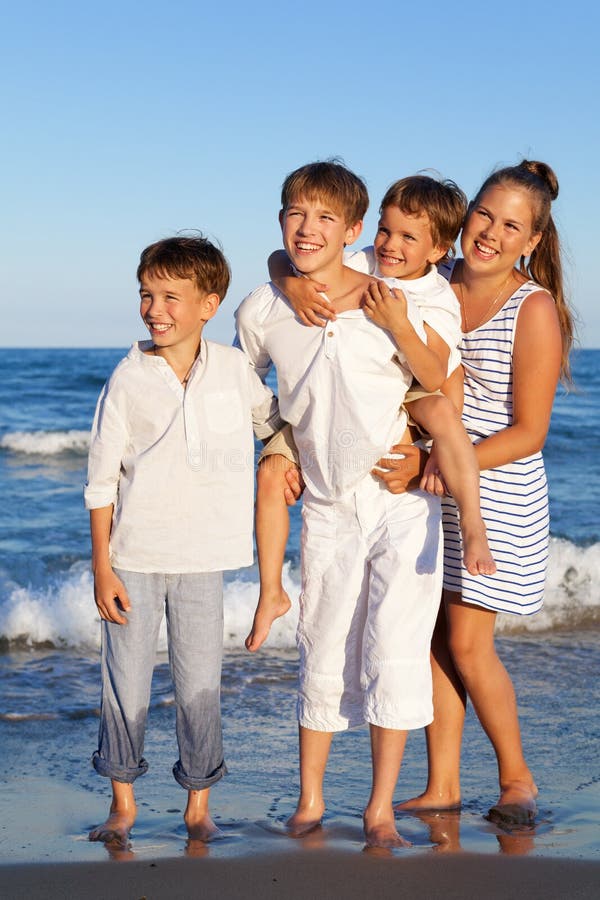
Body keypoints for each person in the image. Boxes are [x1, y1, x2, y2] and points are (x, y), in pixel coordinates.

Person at [235, 160, 444, 848]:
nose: (308, 228)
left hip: (399, 499)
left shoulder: (394, 294)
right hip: (325, 502)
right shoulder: (263, 308)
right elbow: (249, 391)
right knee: (321, 647)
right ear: (279, 221)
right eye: (296, 213)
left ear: (352, 232)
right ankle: (311, 799)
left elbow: (435, 376)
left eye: (326, 218)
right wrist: (276, 444)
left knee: (396, 648)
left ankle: (380, 807)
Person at [381, 160, 574, 826]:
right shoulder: (431, 281)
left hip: (498, 492)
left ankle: (517, 779)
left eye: (510, 225)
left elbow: (529, 432)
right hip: (433, 489)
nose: (489, 232)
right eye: (485, 214)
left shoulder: (534, 308)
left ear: (532, 241)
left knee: (468, 643)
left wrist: (438, 462)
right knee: (434, 638)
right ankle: (442, 785)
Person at [84, 235, 283, 847]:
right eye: (147, 295)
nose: (155, 309)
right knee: (126, 686)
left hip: (204, 559)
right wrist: (102, 567)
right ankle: (123, 803)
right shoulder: (127, 376)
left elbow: (273, 422)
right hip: (134, 557)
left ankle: (199, 805)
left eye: (172, 296)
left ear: (209, 303)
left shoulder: (231, 369)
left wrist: (282, 458)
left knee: (200, 685)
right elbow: (100, 481)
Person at [247, 175, 496, 653]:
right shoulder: (364, 261)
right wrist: (292, 285)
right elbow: (285, 257)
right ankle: (271, 588)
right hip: (355, 392)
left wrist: (399, 324)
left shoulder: (438, 295)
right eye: (385, 231)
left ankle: (472, 522)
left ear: (438, 249)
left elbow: (433, 372)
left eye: (407, 237)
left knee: (444, 415)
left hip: (412, 383)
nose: (389, 245)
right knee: (270, 472)